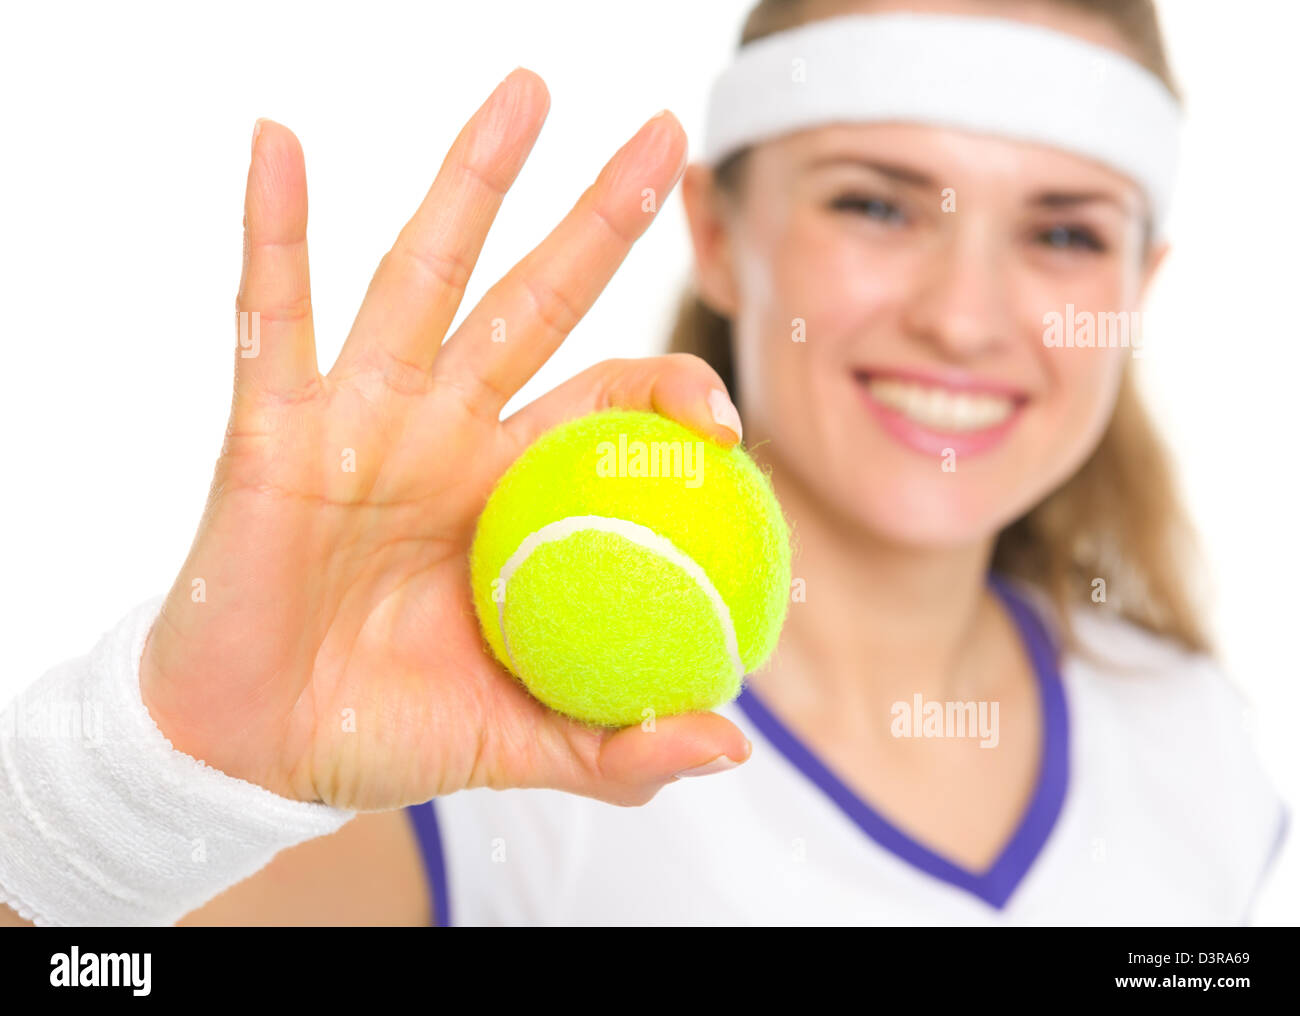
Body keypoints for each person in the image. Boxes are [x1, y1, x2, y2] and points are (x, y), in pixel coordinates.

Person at [0, 0, 1287, 927]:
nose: (964, 315)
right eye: (878, 204)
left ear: (1135, 286)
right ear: (719, 235)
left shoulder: (1199, 744)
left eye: (1064, 232)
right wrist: (144, 782)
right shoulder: (460, 767)